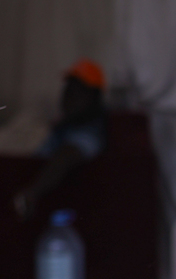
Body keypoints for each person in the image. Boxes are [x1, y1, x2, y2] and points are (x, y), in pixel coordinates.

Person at [13, 58, 108, 219]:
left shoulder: (90, 131)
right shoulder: (65, 126)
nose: (68, 97)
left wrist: (32, 192)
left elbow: (66, 156)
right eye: (67, 89)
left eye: (77, 91)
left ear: (93, 98)